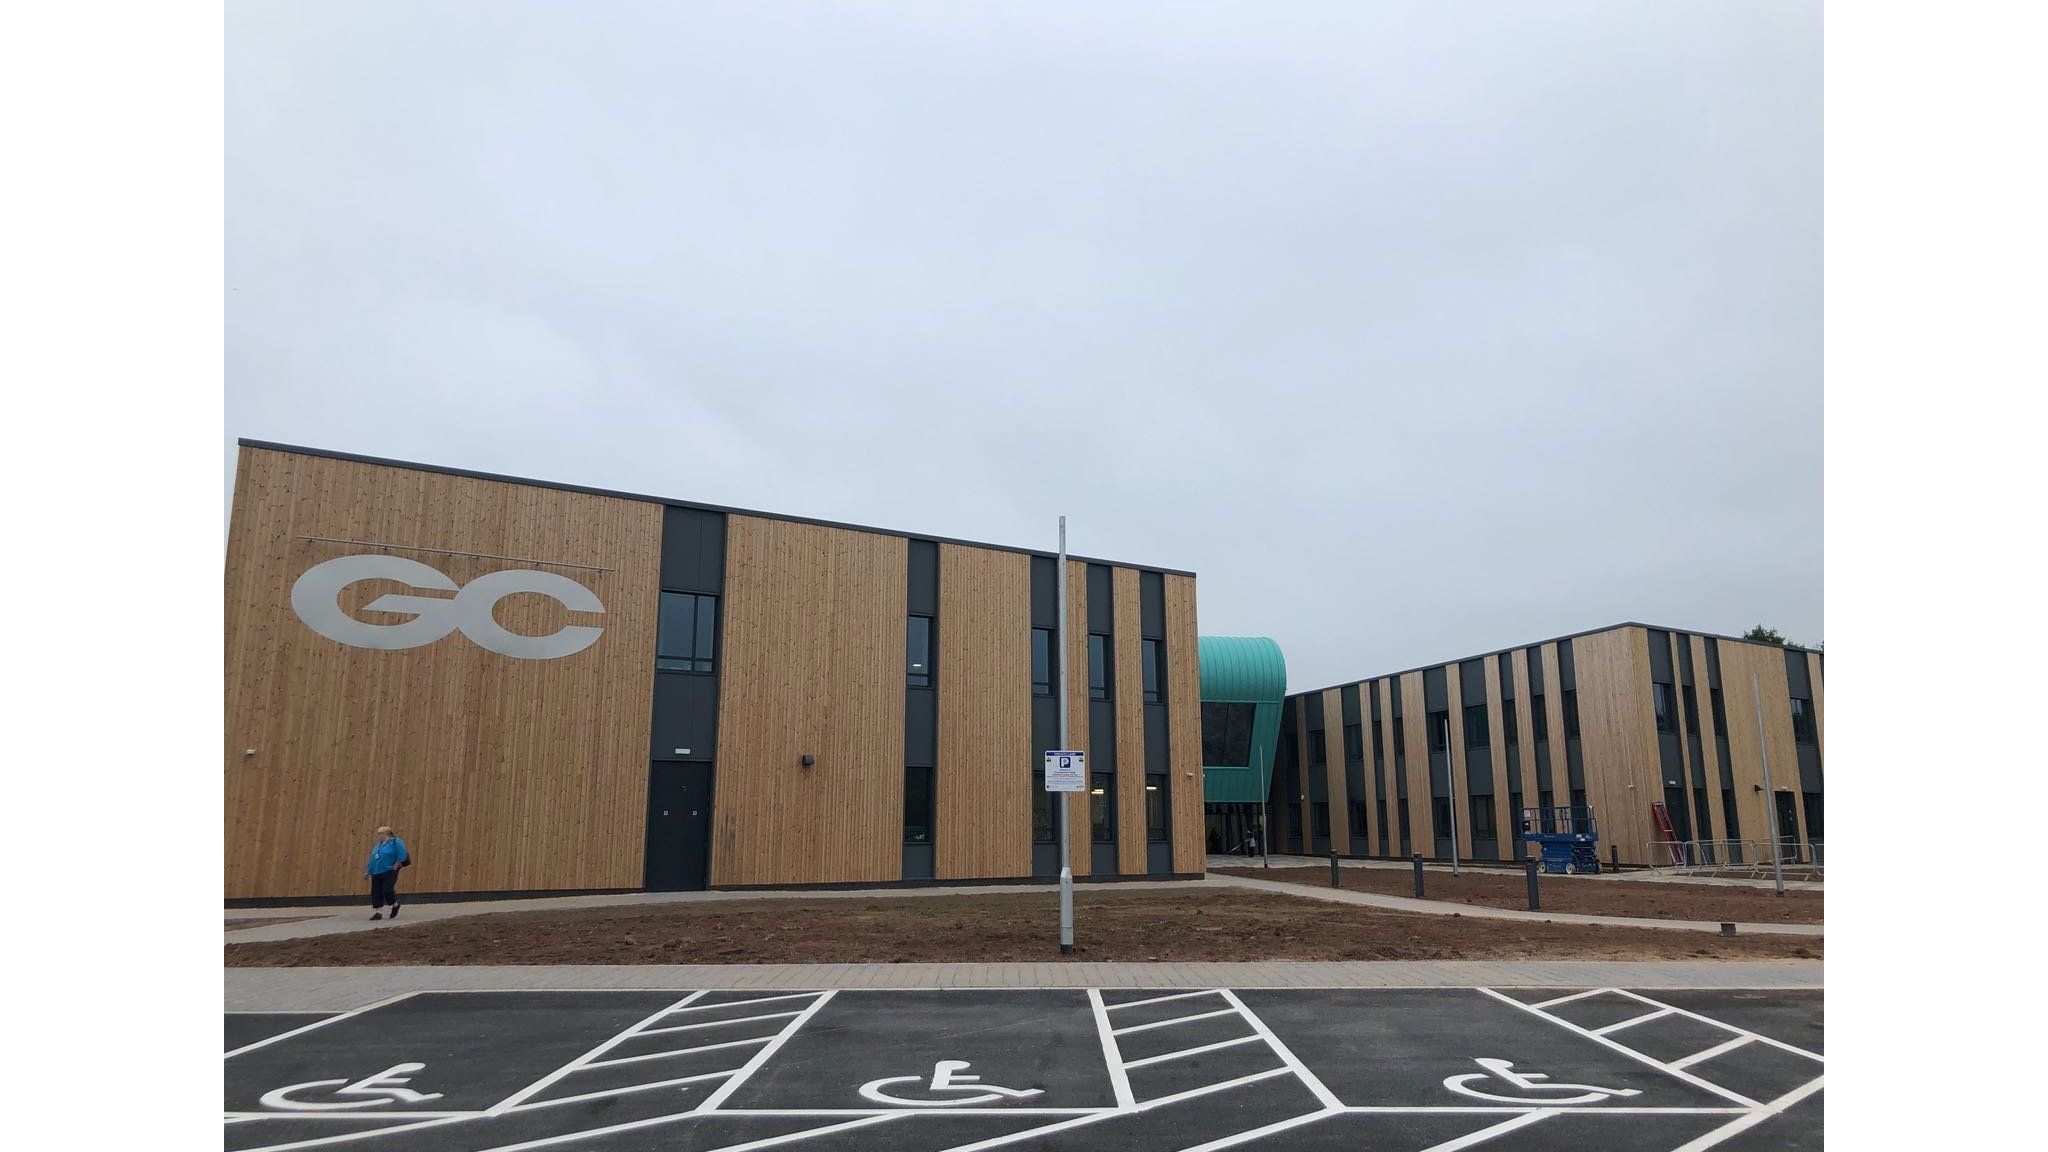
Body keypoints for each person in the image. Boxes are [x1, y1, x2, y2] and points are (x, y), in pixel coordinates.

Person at [365, 825, 410, 921]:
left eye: (380, 833)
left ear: (386, 833)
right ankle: (378, 912)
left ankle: (395, 904)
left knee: (387, 889)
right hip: (377, 870)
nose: (378, 835)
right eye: (378, 833)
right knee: (376, 891)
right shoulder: (378, 844)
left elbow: (402, 852)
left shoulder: (395, 841)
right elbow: (373, 857)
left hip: (389, 869)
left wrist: (397, 863)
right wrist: (368, 871)